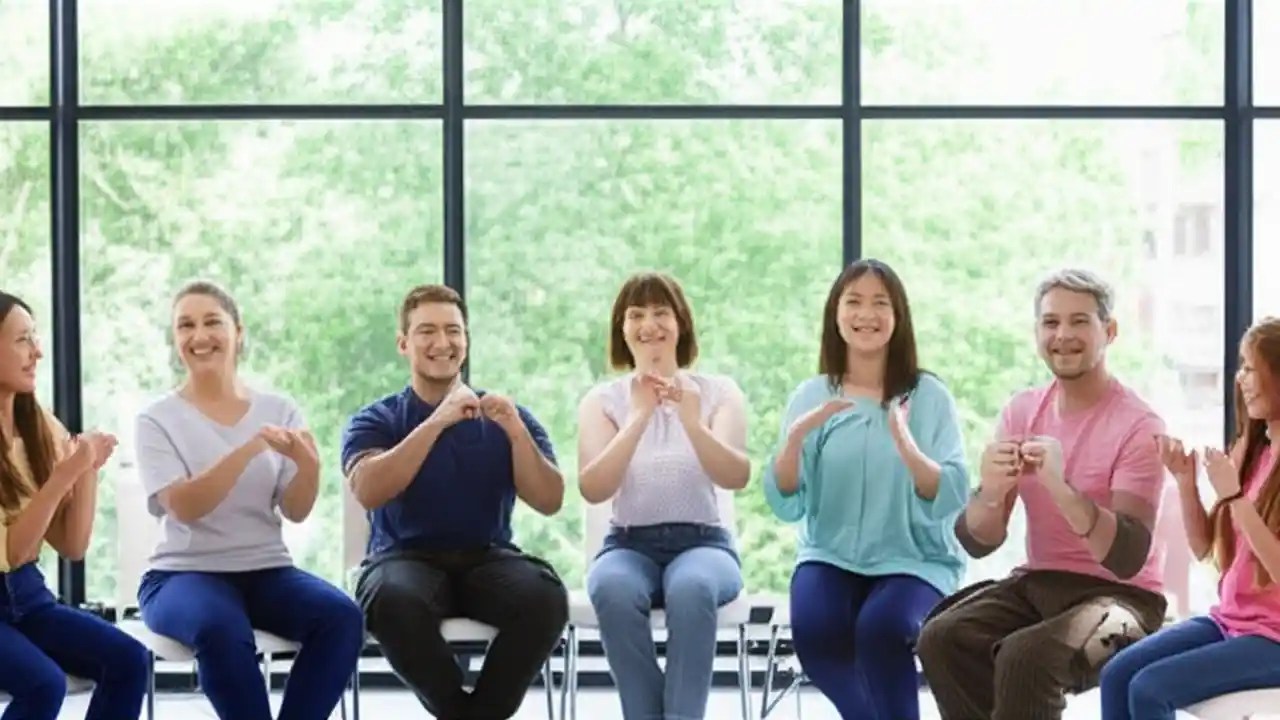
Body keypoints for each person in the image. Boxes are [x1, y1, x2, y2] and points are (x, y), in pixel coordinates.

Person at [916, 268, 1169, 720]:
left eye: (1079, 321)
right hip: (1039, 584)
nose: (1063, 335)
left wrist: (1060, 487)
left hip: (1126, 604)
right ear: (1037, 332)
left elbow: (1128, 556)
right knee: (942, 637)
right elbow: (978, 541)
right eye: (1051, 322)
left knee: (1025, 659)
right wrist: (991, 494)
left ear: (1109, 331)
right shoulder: (1022, 411)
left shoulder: (1139, 425)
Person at [132, 280, 364, 720]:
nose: (199, 335)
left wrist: (310, 467)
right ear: (175, 340)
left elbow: (295, 510)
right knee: (220, 627)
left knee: (342, 617)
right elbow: (184, 506)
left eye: (212, 322)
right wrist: (247, 448)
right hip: (182, 575)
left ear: (238, 332)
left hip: (267, 571)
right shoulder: (156, 418)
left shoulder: (280, 410)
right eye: (185, 325)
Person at [342, 283, 569, 720]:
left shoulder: (506, 415)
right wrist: (438, 421)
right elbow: (368, 490)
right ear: (403, 344)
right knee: (390, 601)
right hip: (402, 560)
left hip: (488, 558)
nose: (442, 342)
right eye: (427, 331)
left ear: (466, 340)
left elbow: (550, 500)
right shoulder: (377, 418)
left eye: (453, 331)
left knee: (544, 597)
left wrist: (516, 433)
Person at [761, 259, 970, 720]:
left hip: (915, 559)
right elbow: (787, 502)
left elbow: (952, 493)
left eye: (880, 303)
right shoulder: (812, 395)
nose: (866, 314)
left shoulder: (929, 396)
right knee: (817, 633)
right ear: (835, 314)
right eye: (853, 301)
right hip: (829, 554)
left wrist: (905, 443)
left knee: (882, 630)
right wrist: (794, 442)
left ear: (899, 316)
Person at [578, 272, 750, 720]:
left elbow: (735, 475)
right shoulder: (603, 401)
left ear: (681, 324)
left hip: (704, 544)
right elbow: (594, 487)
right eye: (636, 315)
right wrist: (639, 416)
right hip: (628, 545)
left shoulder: (719, 392)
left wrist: (691, 420)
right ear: (622, 329)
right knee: (611, 588)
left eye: (661, 312)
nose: (649, 325)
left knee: (692, 589)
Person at [1098, 316, 1280, 719]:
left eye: (1251, 368)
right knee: (1116, 675)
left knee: (1149, 689)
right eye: (1241, 367)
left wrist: (1234, 496)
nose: (1241, 379)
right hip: (1232, 621)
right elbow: (1205, 549)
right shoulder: (1254, 454)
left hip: (1275, 639)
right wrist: (1186, 482)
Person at [0, 291, 148, 720]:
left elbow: (72, 545)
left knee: (129, 661)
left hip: (28, 597)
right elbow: (13, 552)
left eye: (35, 338)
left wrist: (88, 471)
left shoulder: (37, 423)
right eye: (23, 340)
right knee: (44, 684)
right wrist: (66, 474)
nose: (38, 352)